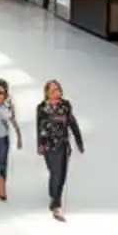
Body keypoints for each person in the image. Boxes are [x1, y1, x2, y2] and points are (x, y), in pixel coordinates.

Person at [37, 79, 84, 221]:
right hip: (49, 145)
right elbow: (39, 126)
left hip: (62, 144)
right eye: (53, 90)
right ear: (47, 93)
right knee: (54, 172)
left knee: (61, 174)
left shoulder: (65, 105)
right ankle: (54, 196)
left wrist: (78, 141)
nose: (57, 91)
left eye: (58, 88)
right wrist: (39, 144)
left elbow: (72, 122)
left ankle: (56, 201)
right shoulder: (42, 108)